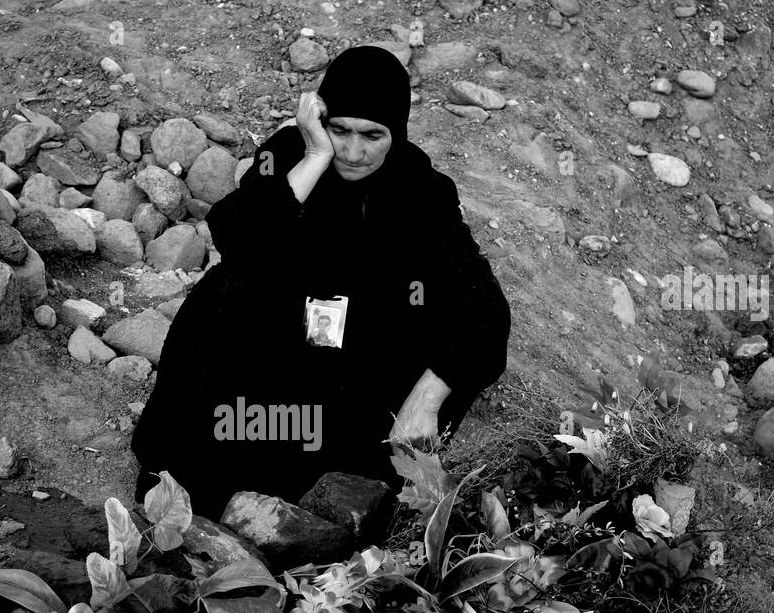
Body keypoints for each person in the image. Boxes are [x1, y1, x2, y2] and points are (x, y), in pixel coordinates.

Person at [130, 45, 511, 519]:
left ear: (398, 130)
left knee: (351, 448)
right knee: (224, 297)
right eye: (340, 130)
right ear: (321, 119)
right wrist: (313, 155)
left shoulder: (423, 191)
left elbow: (485, 312)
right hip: (279, 338)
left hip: (360, 358)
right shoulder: (288, 154)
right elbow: (237, 234)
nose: (353, 153)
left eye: (373, 135)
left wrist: (424, 400)